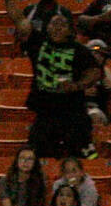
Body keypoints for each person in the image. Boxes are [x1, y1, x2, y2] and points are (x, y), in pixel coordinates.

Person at [26, 11, 100, 159]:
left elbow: (95, 71)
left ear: (70, 30)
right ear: (47, 27)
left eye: (62, 25)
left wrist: (78, 85)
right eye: (54, 24)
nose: (58, 28)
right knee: (36, 156)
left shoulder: (79, 50)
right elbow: (21, 23)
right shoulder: (38, 43)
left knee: (88, 156)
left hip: (73, 112)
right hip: (45, 112)